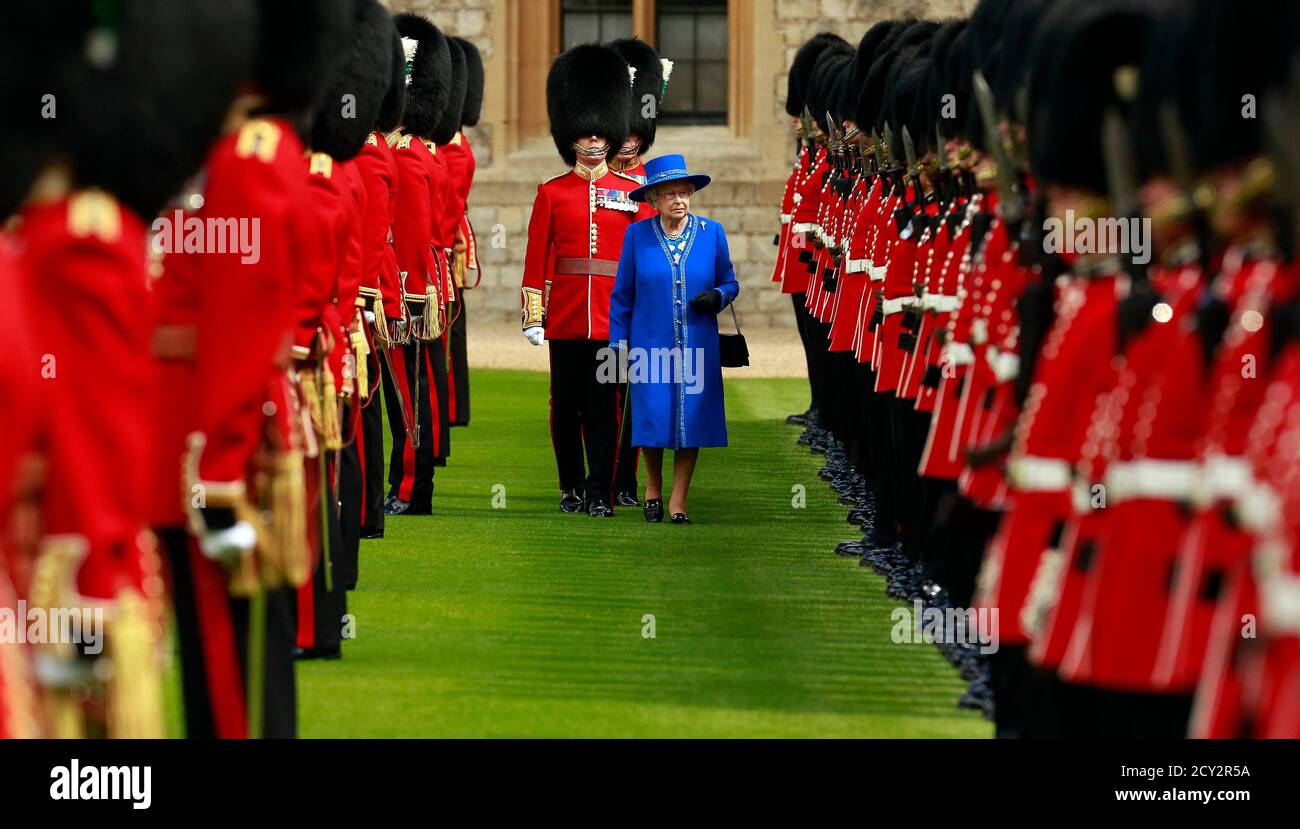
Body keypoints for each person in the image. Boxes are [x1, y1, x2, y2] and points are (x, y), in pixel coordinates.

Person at [521, 43, 654, 518]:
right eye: (586, 135)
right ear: (571, 137)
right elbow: (537, 258)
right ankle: (571, 486)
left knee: (606, 410)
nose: (595, 142)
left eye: (602, 134)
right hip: (566, 317)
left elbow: (643, 260)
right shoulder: (551, 193)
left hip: (613, 319)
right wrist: (535, 315)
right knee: (565, 410)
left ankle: (601, 491)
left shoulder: (634, 194)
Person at [609, 155, 740, 525]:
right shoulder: (636, 236)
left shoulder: (712, 233)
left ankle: (678, 501)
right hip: (649, 345)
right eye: (671, 194)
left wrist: (718, 295)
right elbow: (622, 296)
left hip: (697, 344)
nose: (680, 200)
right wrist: (618, 347)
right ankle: (652, 486)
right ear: (654, 200)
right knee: (652, 417)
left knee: (692, 421)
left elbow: (730, 282)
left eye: (685, 192)